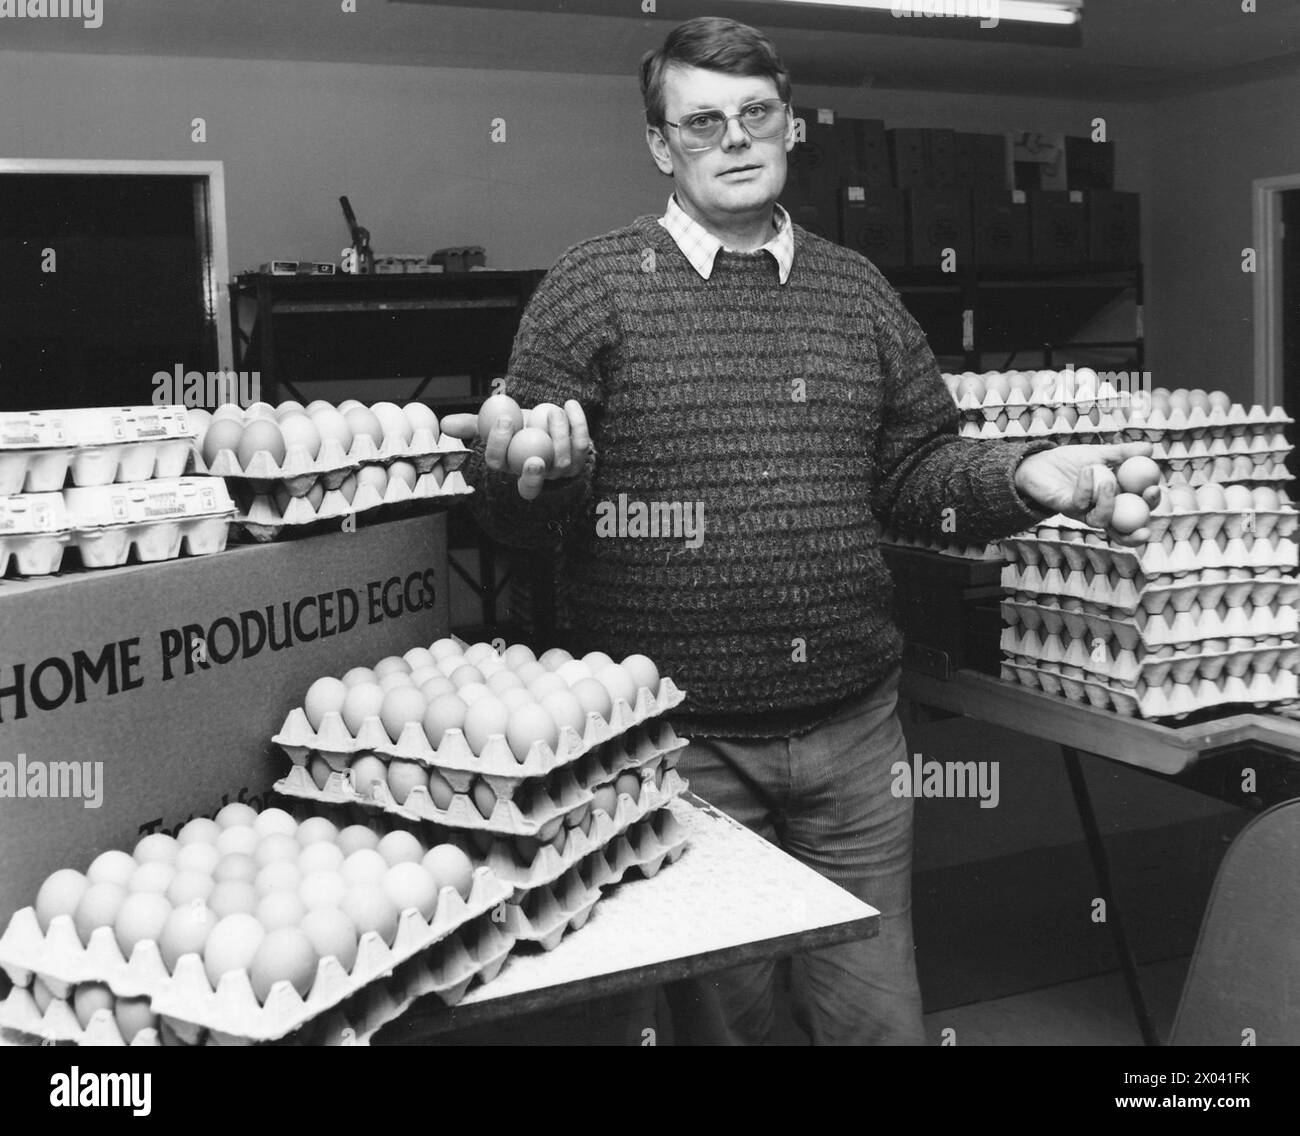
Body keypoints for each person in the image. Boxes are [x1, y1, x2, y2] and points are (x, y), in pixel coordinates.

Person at [442, 15, 1157, 1045]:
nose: (733, 140)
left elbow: (916, 473)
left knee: (876, 1022)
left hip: (855, 733)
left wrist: (1021, 473)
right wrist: (523, 478)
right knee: (723, 1028)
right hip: (677, 749)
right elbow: (519, 509)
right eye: (701, 123)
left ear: (789, 124)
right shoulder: (590, 287)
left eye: (755, 114)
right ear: (659, 145)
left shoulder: (855, 290)